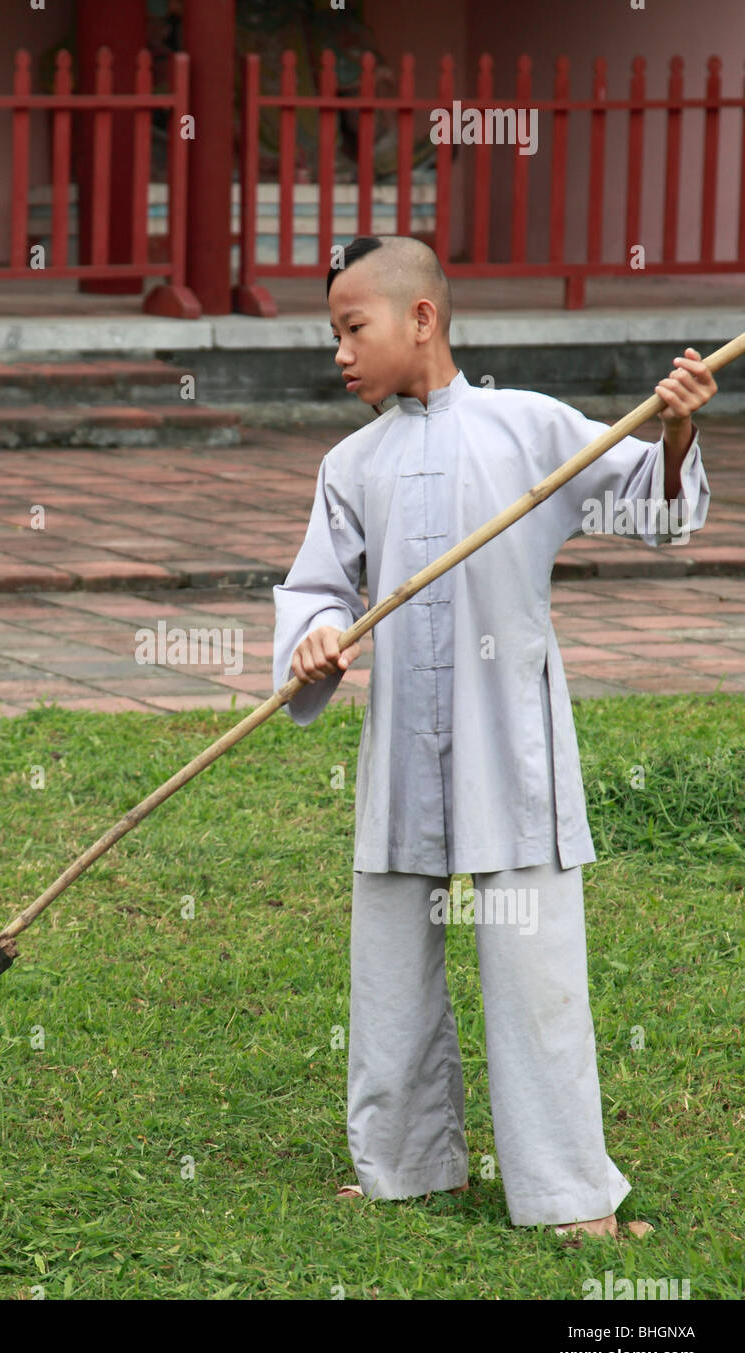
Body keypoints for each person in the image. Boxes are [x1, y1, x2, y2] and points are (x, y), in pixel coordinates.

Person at [272, 234, 715, 1236]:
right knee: (387, 965)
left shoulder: (527, 429)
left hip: (508, 739)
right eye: (331, 333)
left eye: (351, 328)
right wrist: (311, 644)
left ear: (418, 318)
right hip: (398, 753)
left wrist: (679, 431)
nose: (337, 353)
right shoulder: (350, 465)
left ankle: (565, 1193)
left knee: (534, 967)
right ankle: (403, 1164)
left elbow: (650, 505)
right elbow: (313, 592)